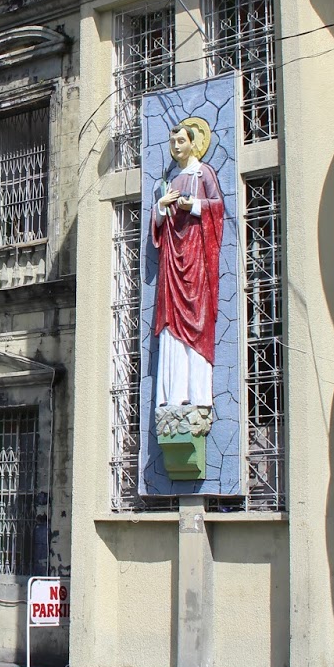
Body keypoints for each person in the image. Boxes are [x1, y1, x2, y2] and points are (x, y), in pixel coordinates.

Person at [151, 116, 225, 438]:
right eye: (172, 143)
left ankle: (198, 398)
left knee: (197, 317)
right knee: (170, 328)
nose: (176, 147)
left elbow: (217, 208)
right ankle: (172, 396)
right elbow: (158, 221)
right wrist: (162, 205)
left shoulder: (203, 173)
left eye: (181, 141)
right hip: (171, 258)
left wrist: (191, 203)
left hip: (195, 255)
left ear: (193, 143)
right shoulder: (168, 178)